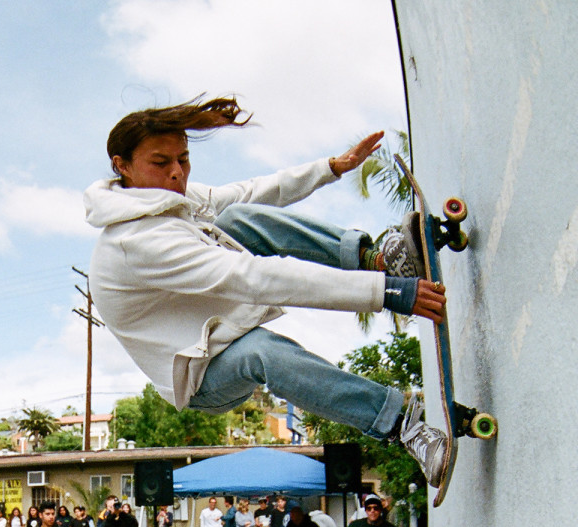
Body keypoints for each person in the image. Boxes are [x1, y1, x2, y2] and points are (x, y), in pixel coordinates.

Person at [84, 98, 449, 486]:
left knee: (234, 215)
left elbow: (252, 192)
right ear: (121, 165)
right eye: (161, 163)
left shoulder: (172, 200)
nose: (177, 173)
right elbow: (254, 277)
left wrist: (329, 168)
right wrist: (388, 293)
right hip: (203, 374)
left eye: (184, 159)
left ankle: (376, 259)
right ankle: (403, 426)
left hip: (224, 327)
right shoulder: (135, 242)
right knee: (262, 351)